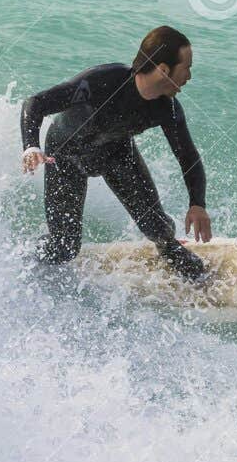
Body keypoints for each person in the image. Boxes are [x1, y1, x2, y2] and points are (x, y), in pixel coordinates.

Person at [21, 26, 212, 282]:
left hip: (115, 154)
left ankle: (170, 249)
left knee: (157, 227)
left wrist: (197, 204)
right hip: (65, 157)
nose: (189, 76)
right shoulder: (101, 82)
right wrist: (31, 146)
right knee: (64, 247)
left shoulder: (167, 109)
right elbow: (35, 104)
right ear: (164, 69)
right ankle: (26, 258)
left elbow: (187, 156)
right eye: (186, 67)